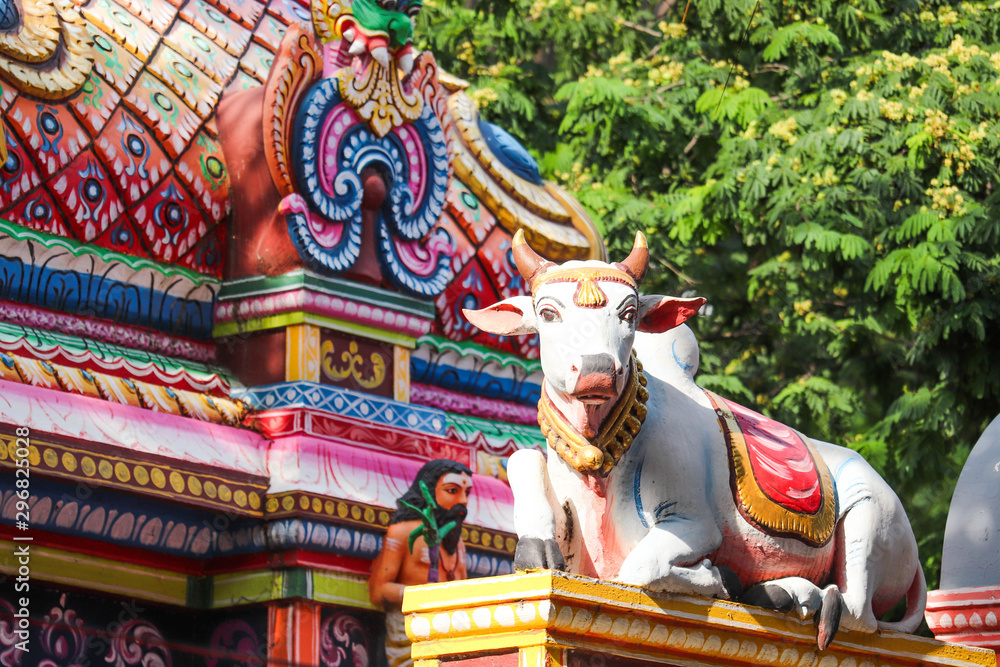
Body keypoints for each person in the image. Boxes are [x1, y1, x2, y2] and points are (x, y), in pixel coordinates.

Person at [369, 459, 474, 667]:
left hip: (449, 636)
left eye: (467, 493)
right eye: (452, 490)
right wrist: (423, 597)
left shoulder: (458, 543)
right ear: (428, 490)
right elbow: (378, 590)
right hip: (408, 635)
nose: (463, 500)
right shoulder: (402, 532)